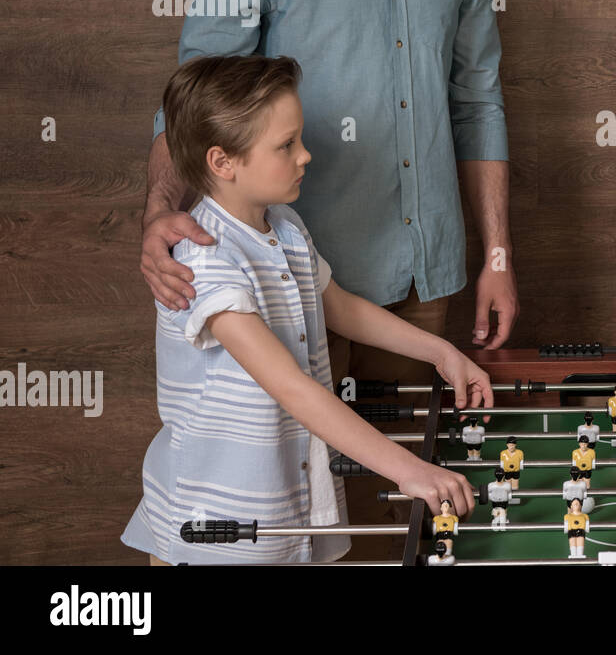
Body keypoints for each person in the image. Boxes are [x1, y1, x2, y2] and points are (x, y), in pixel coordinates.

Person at [121, 56, 491, 565]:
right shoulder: (203, 259)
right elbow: (292, 388)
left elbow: (341, 309)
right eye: (286, 145)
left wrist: (441, 351)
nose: (306, 155)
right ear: (222, 162)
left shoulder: (287, 228)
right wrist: (410, 470)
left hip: (285, 507)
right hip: (215, 524)